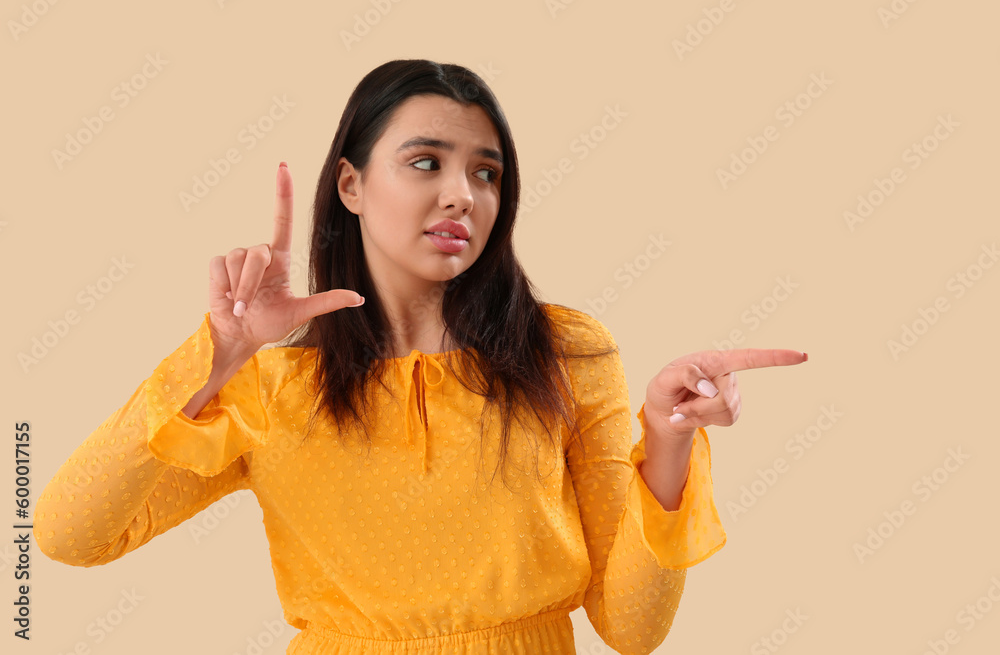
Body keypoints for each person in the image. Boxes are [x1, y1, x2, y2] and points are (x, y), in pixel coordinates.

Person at [33, 59, 807, 654]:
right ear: (351, 184)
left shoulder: (567, 351)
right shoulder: (272, 384)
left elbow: (631, 629)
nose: (463, 195)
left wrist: (668, 439)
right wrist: (217, 357)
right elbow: (71, 534)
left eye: (486, 172)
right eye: (426, 161)